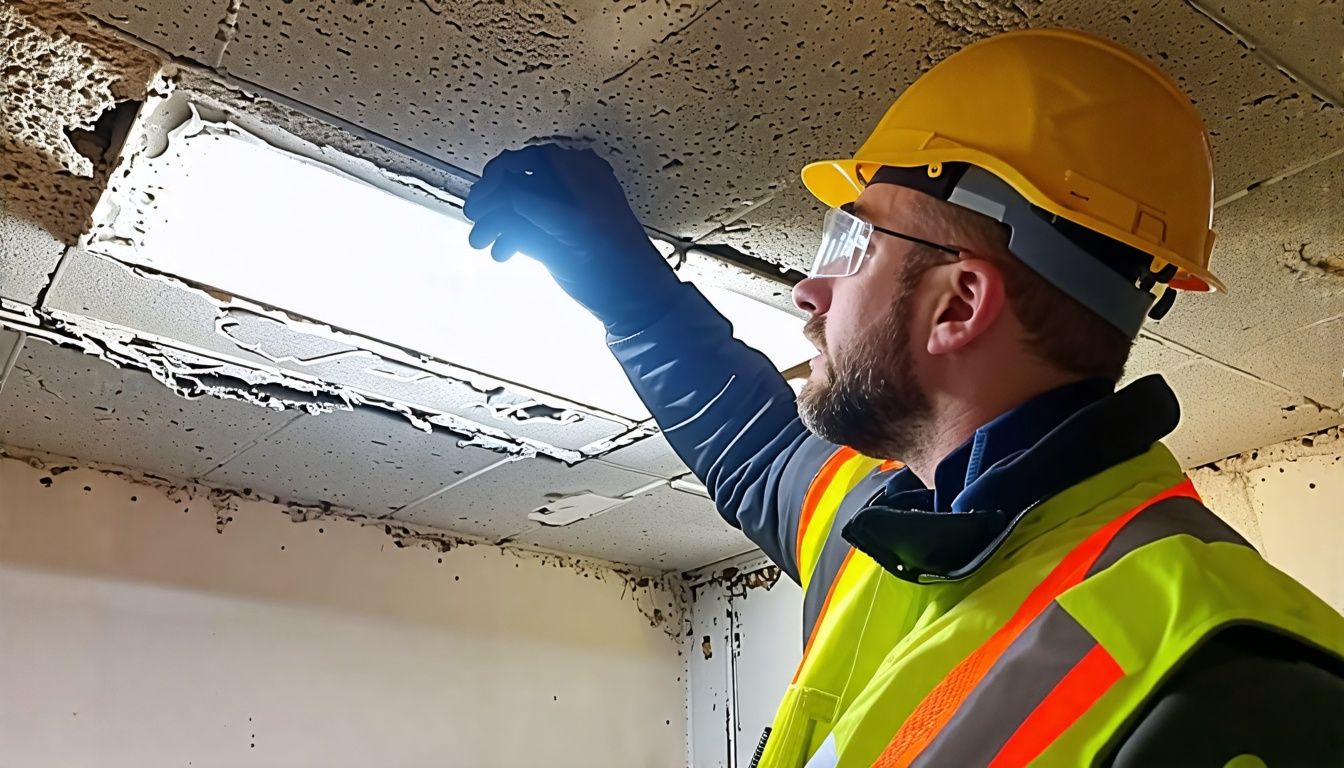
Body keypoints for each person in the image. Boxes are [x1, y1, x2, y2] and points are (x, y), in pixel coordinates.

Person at [463, 28, 1344, 768]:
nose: (811, 289)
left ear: (958, 303)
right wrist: (630, 293)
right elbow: (759, 449)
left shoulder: (1235, 669)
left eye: (853, 242)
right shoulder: (896, 517)